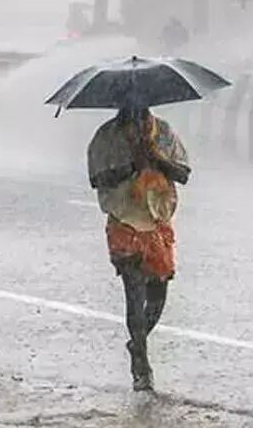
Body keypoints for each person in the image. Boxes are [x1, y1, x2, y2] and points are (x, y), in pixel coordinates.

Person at [87, 106, 191, 391]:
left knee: (158, 293)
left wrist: (157, 159)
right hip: (124, 222)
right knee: (134, 294)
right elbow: (96, 178)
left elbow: (183, 173)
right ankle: (141, 366)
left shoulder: (164, 133)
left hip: (157, 221)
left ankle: (137, 342)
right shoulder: (107, 137)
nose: (137, 115)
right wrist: (130, 166)